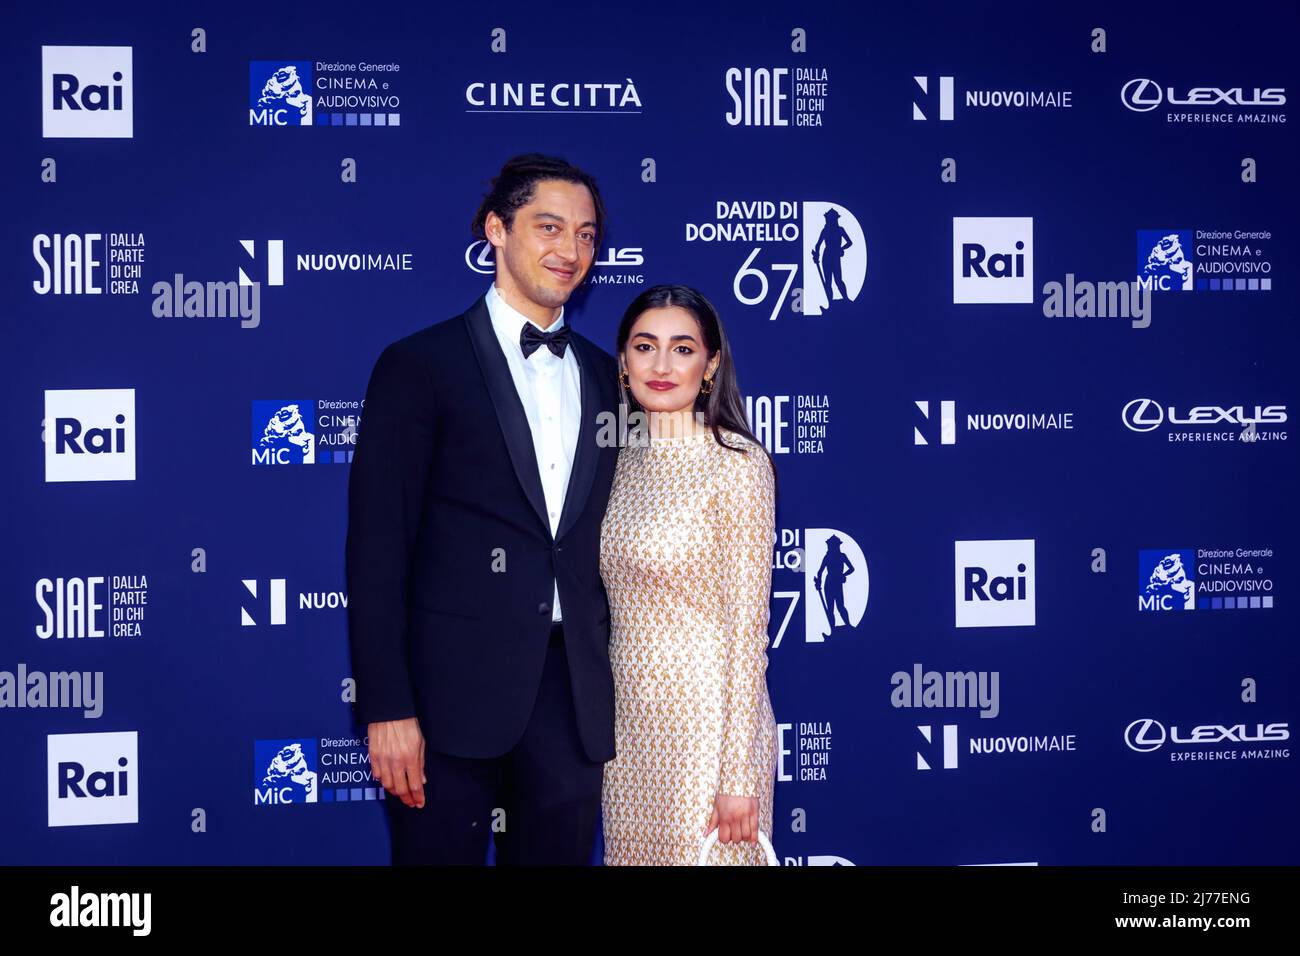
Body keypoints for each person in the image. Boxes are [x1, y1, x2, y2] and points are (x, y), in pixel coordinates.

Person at [346, 154, 621, 865]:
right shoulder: (418, 365)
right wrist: (387, 707)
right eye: (550, 227)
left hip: (572, 698)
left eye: (587, 235)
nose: (571, 251)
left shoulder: (607, 376)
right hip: (445, 699)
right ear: (496, 230)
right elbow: (378, 551)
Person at [599, 284, 779, 865]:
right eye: (645, 346)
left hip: (708, 734)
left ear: (711, 365)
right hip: (627, 733)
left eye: (682, 348)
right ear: (623, 361)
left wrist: (738, 774)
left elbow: (748, 633)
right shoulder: (616, 461)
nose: (660, 365)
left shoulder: (738, 465)